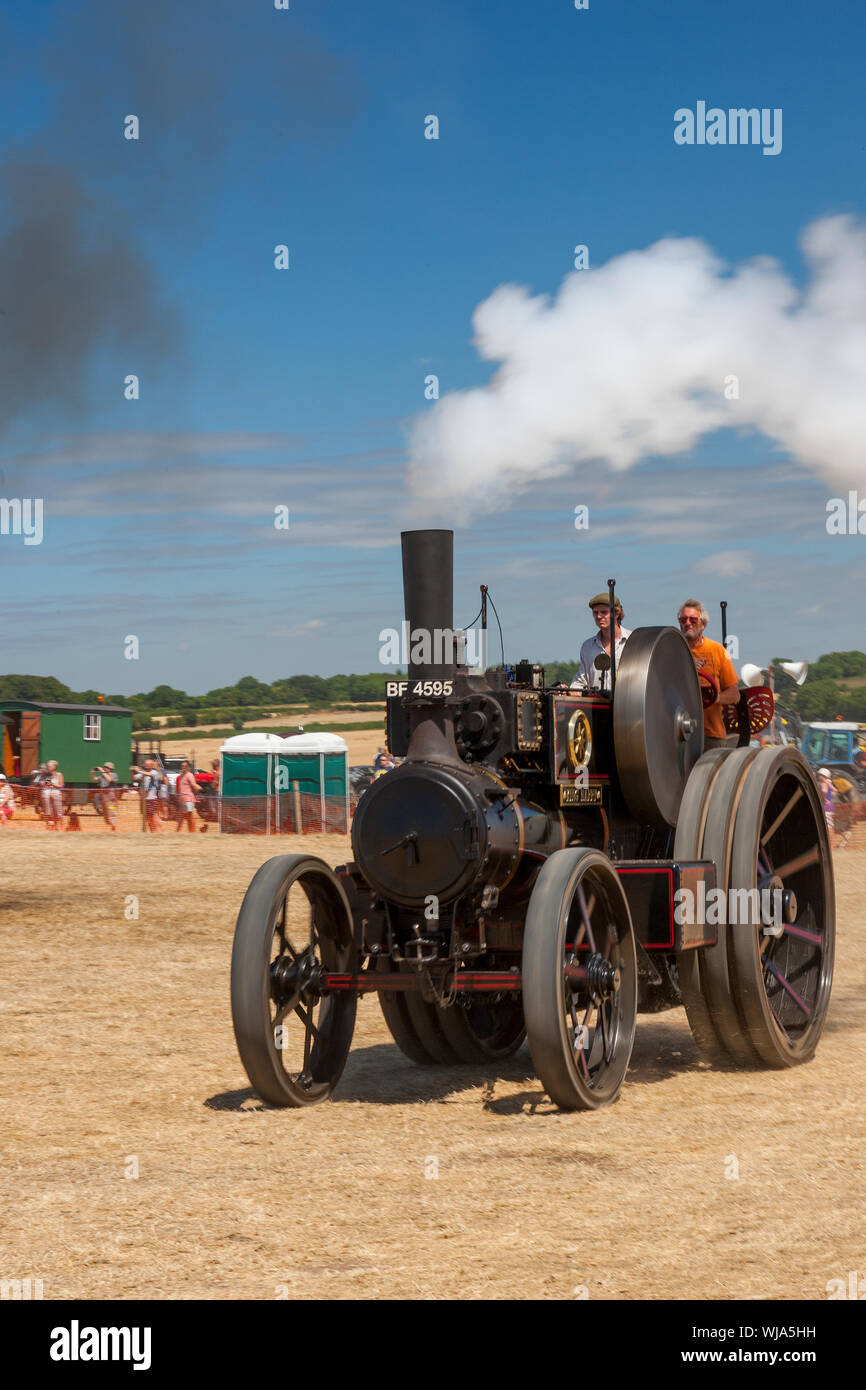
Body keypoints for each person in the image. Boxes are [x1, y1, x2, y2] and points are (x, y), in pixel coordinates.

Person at [677, 599, 739, 750]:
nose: (688, 623)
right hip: (677, 732)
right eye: (683, 619)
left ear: (703, 624)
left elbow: (734, 694)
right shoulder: (672, 650)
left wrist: (716, 697)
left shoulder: (717, 650)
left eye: (693, 619)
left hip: (711, 735)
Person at [571, 593, 632, 694]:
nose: (599, 616)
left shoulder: (633, 641)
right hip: (596, 708)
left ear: (616, 614)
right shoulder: (588, 646)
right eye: (595, 612)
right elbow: (581, 682)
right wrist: (569, 691)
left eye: (604, 612)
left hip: (627, 707)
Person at [135, 758, 164, 832]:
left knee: (153, 815)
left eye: (147, 765)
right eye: (145, 764)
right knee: (147, 816)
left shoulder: (154, 772)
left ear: (151, 765)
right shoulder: (143, 772)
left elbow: (150, 775)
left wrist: (139, 771)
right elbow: (134, 777)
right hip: (144, 799)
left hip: (151, 799)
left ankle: (161, 828)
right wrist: (132, 771)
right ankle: (153, 831)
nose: (146, 766)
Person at [176, 759, 199, 833]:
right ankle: (188, 831)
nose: (183, 767)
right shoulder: (181, 776)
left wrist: (197, 794)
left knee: (190, 816)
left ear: (188, 767)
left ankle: (192, 832)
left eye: (185, 766)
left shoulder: (190, 775)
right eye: (182, 766)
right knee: (185, 816)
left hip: (189, 798)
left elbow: (194, 786)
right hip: (183, 799)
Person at [44, 760, 65, 830]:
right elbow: (46, 785)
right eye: (48, 766)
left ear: (54, 767)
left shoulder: (59, 774)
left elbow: (62, 786)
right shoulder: (47, 775)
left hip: (57, 794)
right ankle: (54, 828)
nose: (48, 767)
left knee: (59, 812)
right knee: (52, 812)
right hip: (49, 794)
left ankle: (61, 827)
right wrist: (46, 784)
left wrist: (52, 784)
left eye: (49, 766)